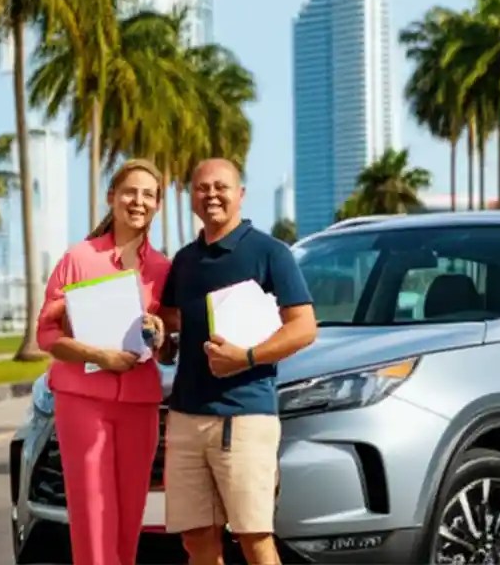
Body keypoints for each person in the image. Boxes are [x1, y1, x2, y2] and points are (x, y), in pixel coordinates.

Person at [158, 158, 317, 565]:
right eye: (201, 188)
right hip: (185, 418)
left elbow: (303, 327)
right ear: (191, 196)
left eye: (221, 187)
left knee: (254, 539)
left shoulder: (270, 253)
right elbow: (175, 321)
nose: (211, 194)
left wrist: (245, 358)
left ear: (240, 194)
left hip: (244, 418)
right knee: (197, 540)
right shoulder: (186, 260)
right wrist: (162, 340)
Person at [35, 158, 172, 565]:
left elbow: (166, 346)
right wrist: (99, 355)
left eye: (148, 194)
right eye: (130, 191)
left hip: (140, 405)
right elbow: (47, 335)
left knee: (130, 516)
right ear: (112, 197)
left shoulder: (163, 268)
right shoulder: (78, 259)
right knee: (93, 514)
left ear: (158, 205)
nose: (138, 201)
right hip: (83, 402)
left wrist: (162, 337)